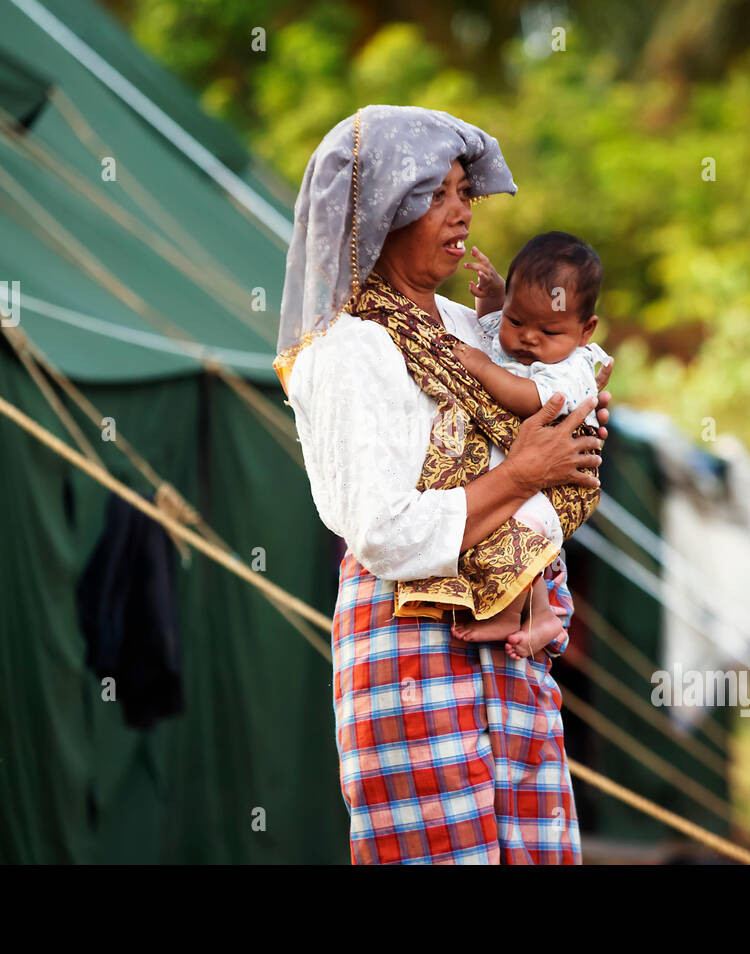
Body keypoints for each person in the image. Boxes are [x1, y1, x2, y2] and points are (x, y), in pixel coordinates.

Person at [276, 105, 613, 864]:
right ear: (382, 209)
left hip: (513, 637)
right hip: (409, 641)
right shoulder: (346, 350)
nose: (464, 211)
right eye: (438, 194)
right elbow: (384, 530)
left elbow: (559, 417)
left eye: (465, 191)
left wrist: (577, 415)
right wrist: (524, 469)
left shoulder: (472, 330)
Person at [447, 232, 613, 656]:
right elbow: (490, 330)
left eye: (549, 330)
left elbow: (526, 397)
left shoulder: (572, 369)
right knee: (512, 524)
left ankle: (508, 616)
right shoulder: (513, 342)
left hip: (565, 479)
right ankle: (540, 615)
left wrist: (482, 368)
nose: (528, 339)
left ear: (585, 330)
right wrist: (493, 299)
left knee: (522, 526)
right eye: (516, 321)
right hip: (533, 468)